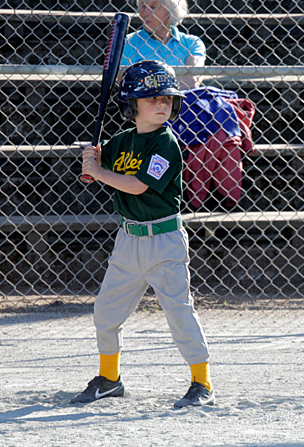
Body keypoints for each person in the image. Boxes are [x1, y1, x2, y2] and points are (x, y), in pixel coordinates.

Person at [74, 60, 214, 408]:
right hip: (128, 242)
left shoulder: (167, 143)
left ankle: (202, 383)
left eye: (167, 98)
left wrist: (99, 173)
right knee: (106, 312)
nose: (162, 104)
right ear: (131, 104)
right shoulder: (122, 141)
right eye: (152, 98)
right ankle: (109, 379)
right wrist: (92, 158)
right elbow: (102, 160)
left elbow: (137, 186)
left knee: (179, 312)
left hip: (164, 241)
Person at [121, 0, 206, 90]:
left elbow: (192, 80)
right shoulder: (129, 42)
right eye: (142, 6)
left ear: (170, 10)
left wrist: (150, 84)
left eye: (153, 7)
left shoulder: (191, 43)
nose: (145, 13)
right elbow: (127, 84)